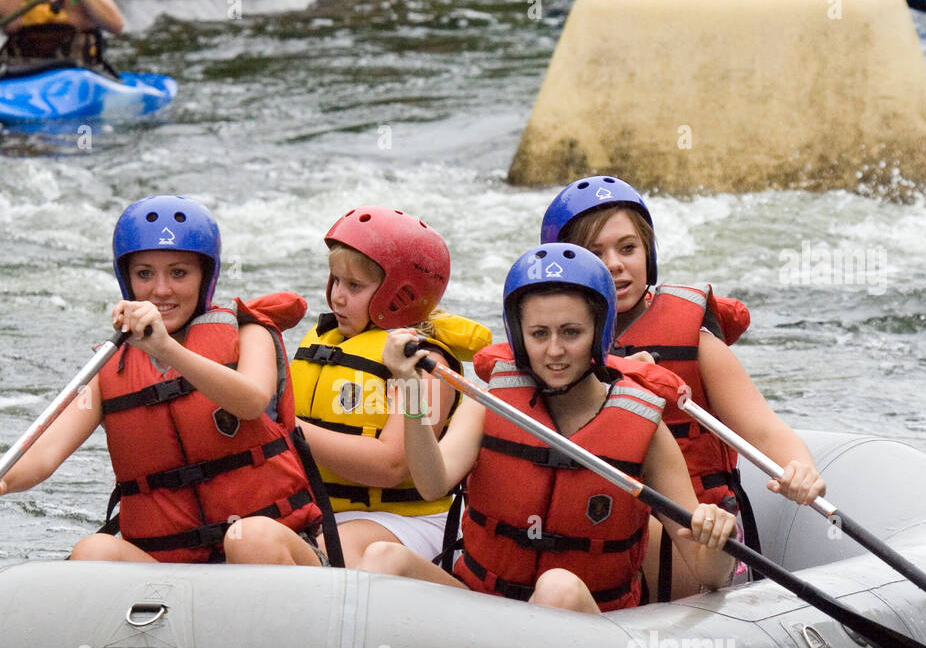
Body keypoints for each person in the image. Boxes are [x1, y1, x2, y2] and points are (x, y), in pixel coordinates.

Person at [357, 244, 739, 614]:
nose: (554, 351)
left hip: (586, 629)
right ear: (520, 335)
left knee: (559, 587)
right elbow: (431, 482)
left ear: (599, 333)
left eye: (571, 332)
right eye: (539, 334)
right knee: (382, 557)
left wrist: (718, 537)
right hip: (481, 609)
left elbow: (708, 572)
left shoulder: (646, 431)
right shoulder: (487, 403)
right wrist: (408, 389)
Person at [0, 195, 323, 563]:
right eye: (145, 274)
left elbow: (251, 401)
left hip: (269, 553)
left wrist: (166, 350)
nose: (161, 290)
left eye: (179, 273)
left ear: (204, 277)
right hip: (173, 568)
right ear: (127, 279)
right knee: (93, 551)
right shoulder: (108, 367)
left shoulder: (249, 332)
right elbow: (46, 453)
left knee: (249, 536)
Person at [543, 175, 826, 599]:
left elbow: (764, 431)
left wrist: (802, 469)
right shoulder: (547, 350)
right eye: (595, 253)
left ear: (648, 255)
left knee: (650, 523)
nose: (615, 264)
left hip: (697, 534)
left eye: (627, 248)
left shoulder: (696, 343)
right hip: (589, 530)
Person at [226, 206, 490, 569]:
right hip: (323, 509)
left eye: (354, 286)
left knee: (334, 552)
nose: (336, 296)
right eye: (335, 280)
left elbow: (391, 464)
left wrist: (286, 426)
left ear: (401, 295)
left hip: (408, 519)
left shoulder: (426, 364)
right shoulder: (322, 341)